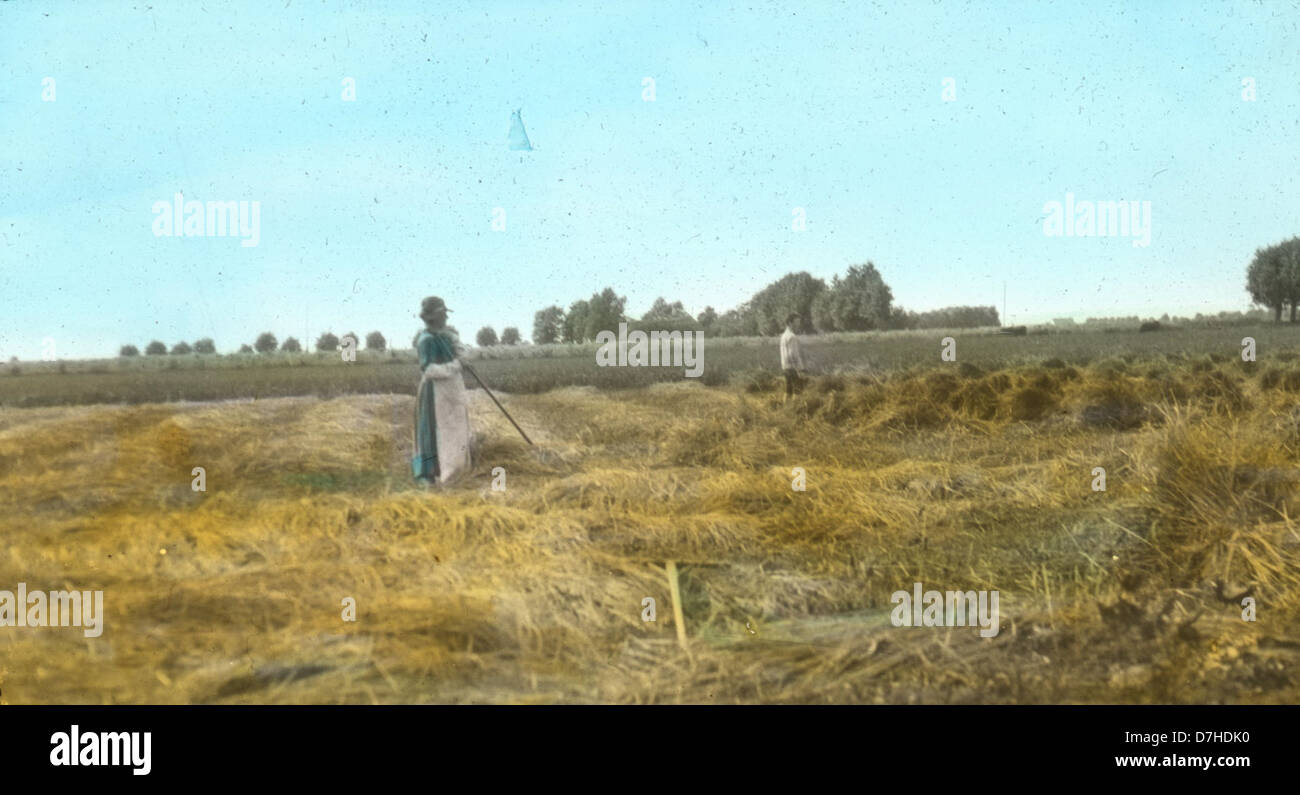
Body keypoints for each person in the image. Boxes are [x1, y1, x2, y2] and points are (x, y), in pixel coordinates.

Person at [412, 296, 473, 486]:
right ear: (434, 316)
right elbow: (429, 370)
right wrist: (456, 365)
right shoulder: (426, 340)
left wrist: (459, 350)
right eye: (443, 313)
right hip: (435, 393)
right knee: (432, 432)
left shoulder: (446, 336)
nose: (446, 317)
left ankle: (454, 472)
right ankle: (429, 475)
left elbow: (462, 353)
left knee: (454, 431)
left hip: (452, 391)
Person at [780, 312, 806, 402]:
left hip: (785, 368)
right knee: (798, 392)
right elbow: (793, 355)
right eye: (797, 322)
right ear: (790, 323)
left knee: (788, 391)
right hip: (793, 368)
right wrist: (800, 369)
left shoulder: (783, 336)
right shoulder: (792, 337)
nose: (798, 324)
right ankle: (795, 412)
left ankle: (785, 411)